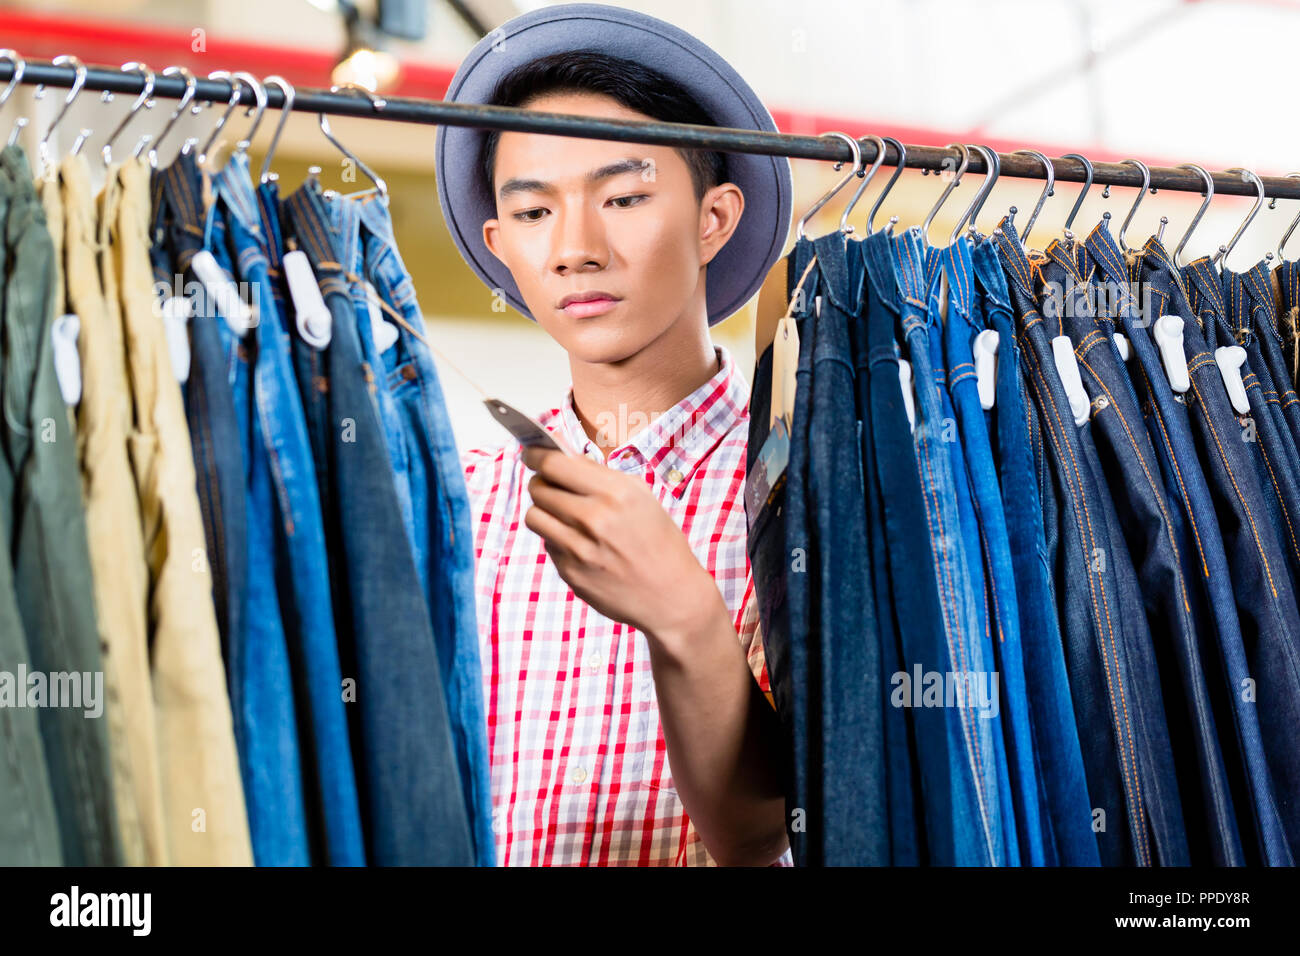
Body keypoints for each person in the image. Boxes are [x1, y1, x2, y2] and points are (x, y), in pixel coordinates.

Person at [437, 3, 795, 866]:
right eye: (531, 214)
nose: (574, 249)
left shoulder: (803, 492)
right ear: (499, 245)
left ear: (713, 220)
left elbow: (780, 833)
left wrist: (687, 616)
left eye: (625, 197)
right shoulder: (465, 506)